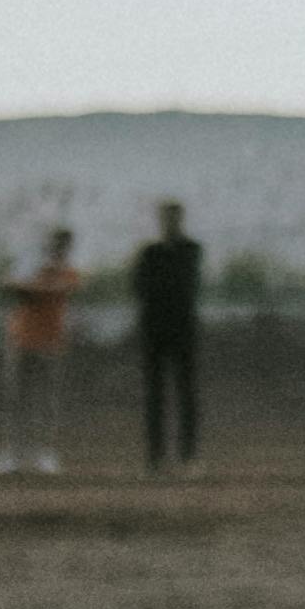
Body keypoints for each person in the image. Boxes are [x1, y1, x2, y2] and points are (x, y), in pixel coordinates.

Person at [132, 198, 205, 469]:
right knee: (155, 394)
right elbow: (140, 286)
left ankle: (188, 455)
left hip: (182, 330)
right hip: (155, 331)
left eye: (174, 217)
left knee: (186, 393)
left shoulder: (190, 249)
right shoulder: (150, 251)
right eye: (166, 218)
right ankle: (156, 455)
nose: (170, 223)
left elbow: (183, 285)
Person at [0, 223, 79, 473]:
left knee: (47, 400)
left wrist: (29, 288)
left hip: (51, 342)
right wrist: (30, 286)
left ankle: (46, 453)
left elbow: (61, 289)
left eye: (63, 244)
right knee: (16, 399)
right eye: (55, 243)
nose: (58, 248)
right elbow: (7, 283)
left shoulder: (68, 272)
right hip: (20, 338)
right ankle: (13, 453)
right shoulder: (30, 266)